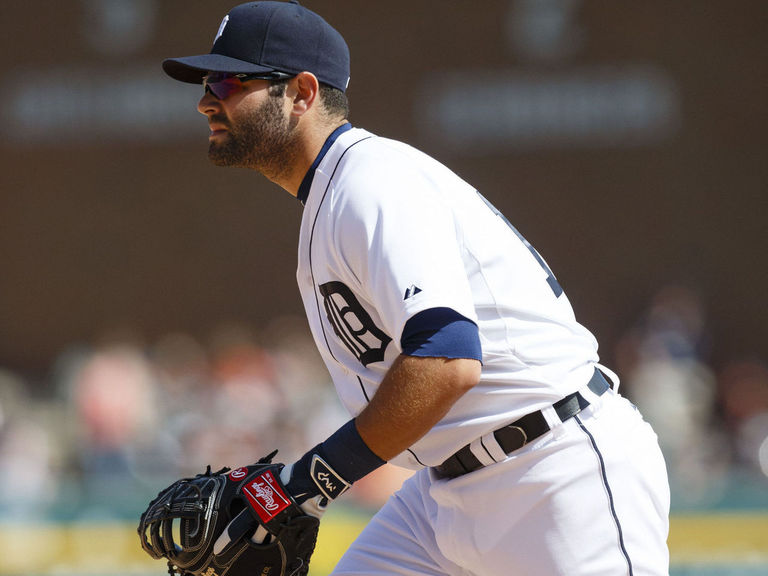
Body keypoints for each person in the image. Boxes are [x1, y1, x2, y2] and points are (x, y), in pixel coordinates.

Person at [162, 2, 671, 574]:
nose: (208, 98)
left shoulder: (371, 183)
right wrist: (292, 483)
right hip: (441, 496)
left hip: (554, 472)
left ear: (302, 93)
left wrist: (302, 484)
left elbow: (447, 358)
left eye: (230, 81)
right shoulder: (333, 198)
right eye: (207, 82)